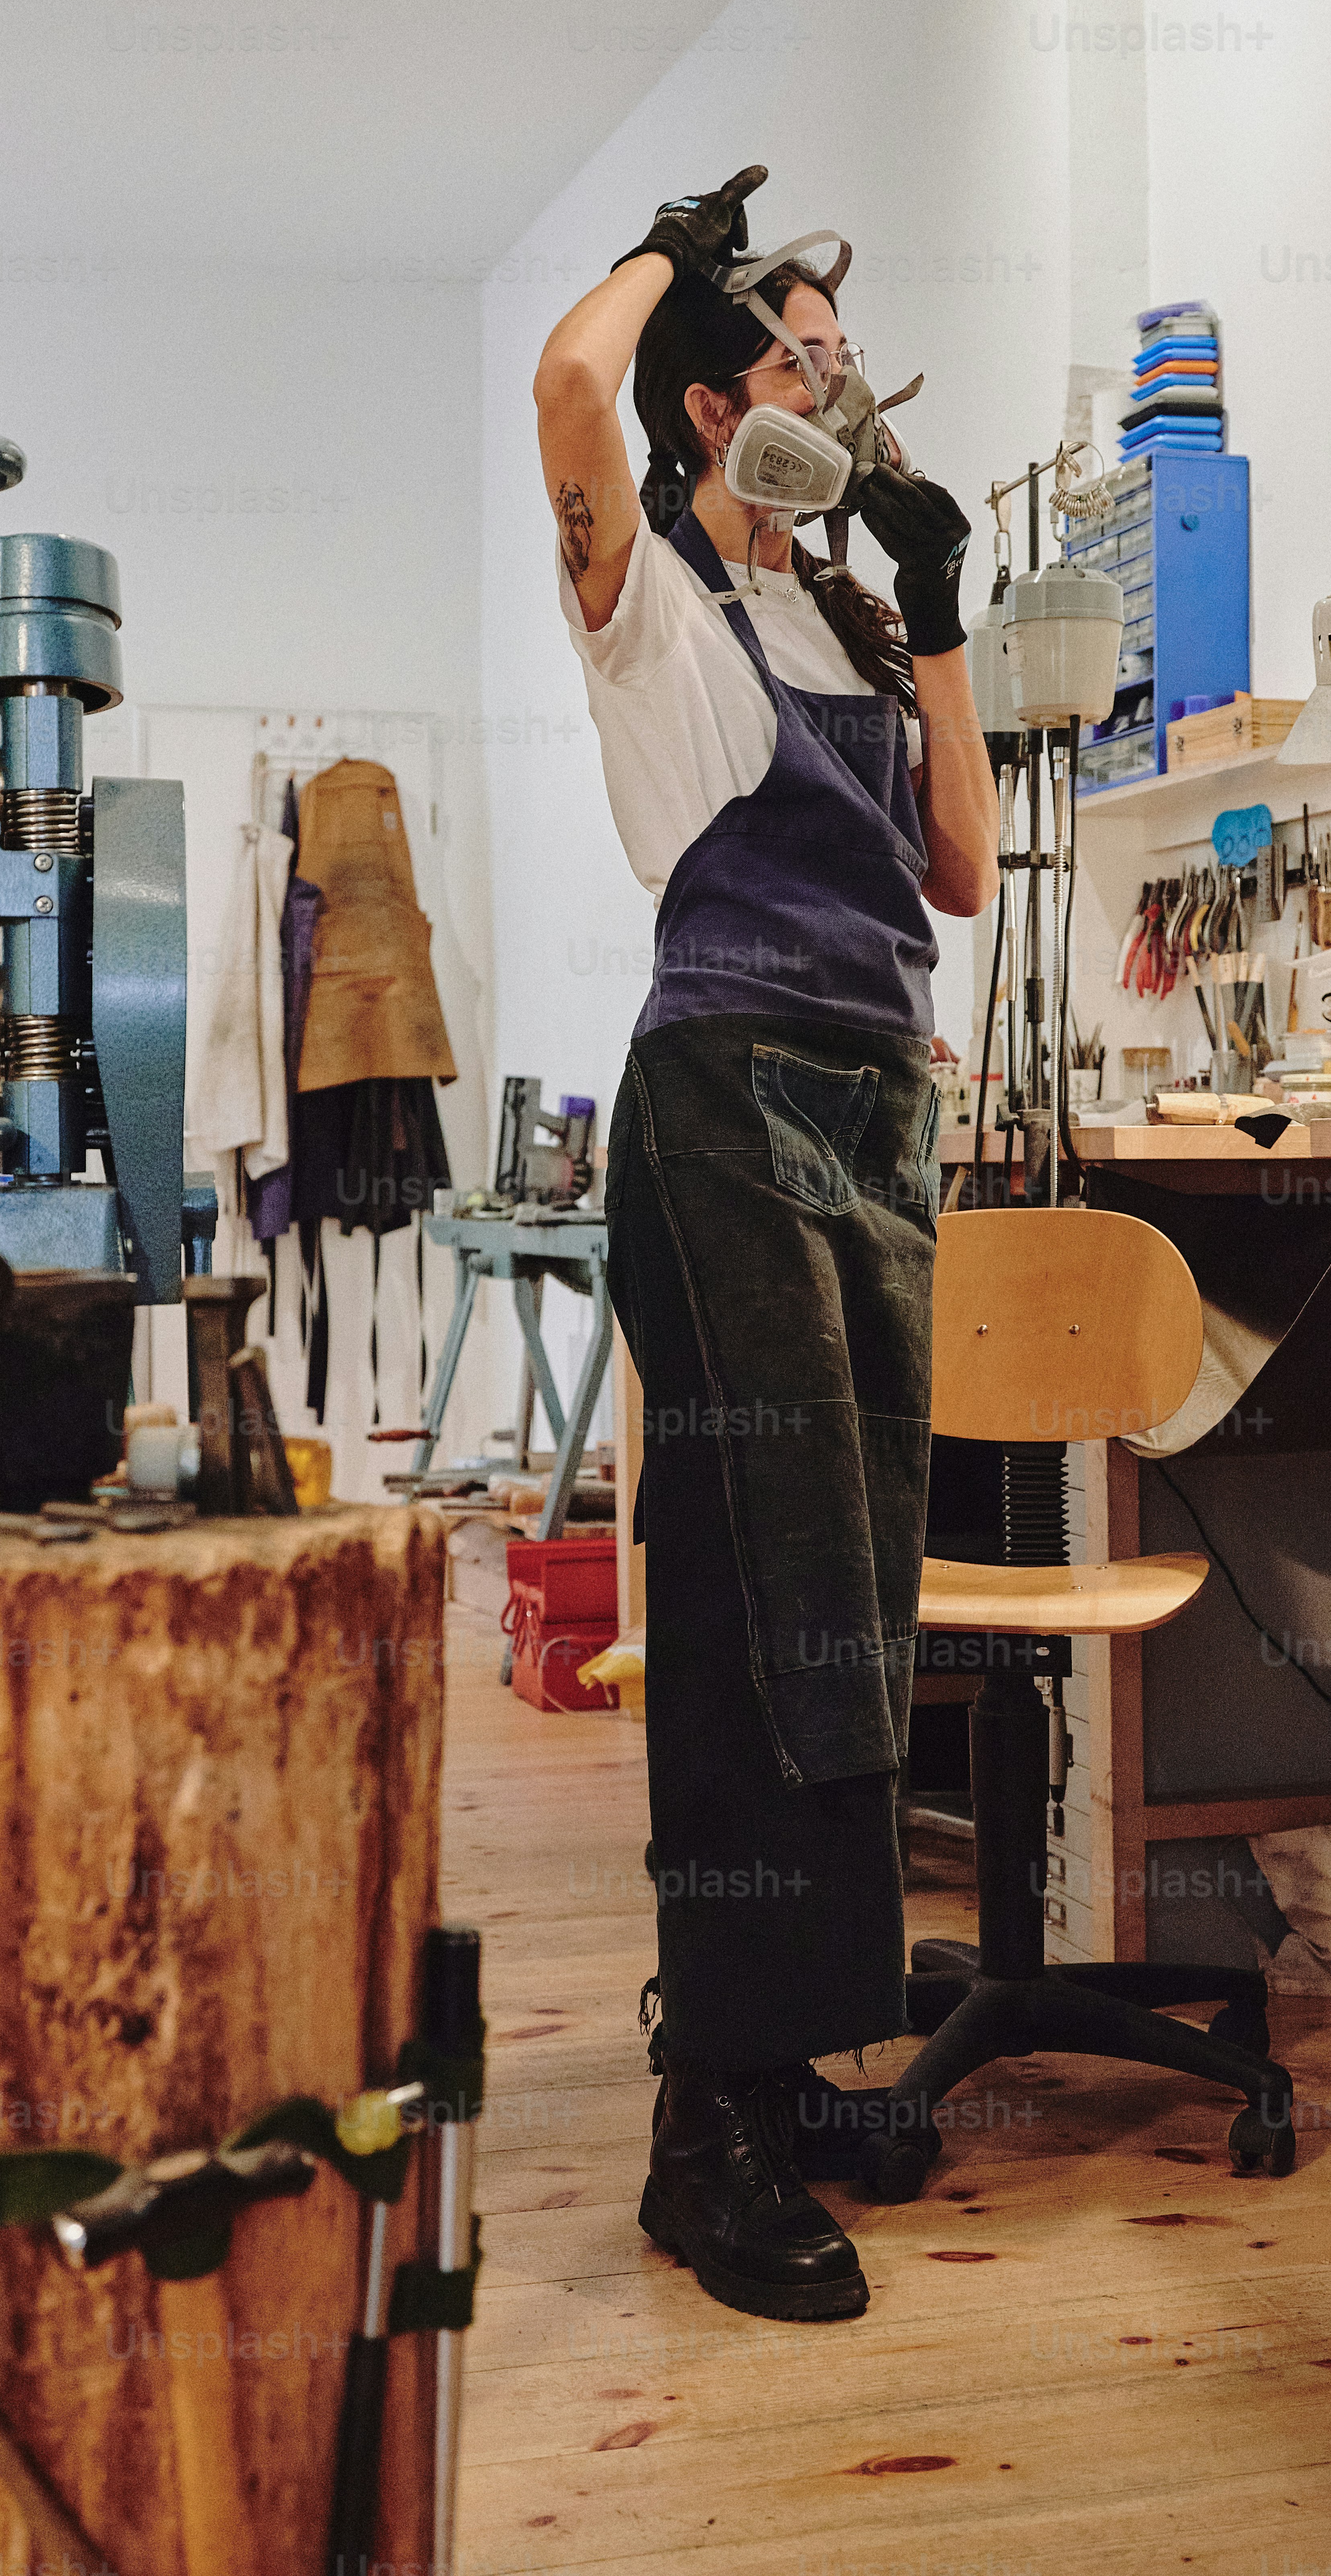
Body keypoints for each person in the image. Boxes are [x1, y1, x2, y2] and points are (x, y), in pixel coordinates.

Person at [532, 167, 998, 2322]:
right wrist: (662, 243)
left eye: (843, 356)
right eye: (801, 351)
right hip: (722, 1104)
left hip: (876, 1100)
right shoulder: (642, 587)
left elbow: (967, 874)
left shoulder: (848, 611)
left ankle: (795, 2052)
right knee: (746, 1583)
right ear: (720, 395)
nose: (840, 380)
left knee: (855, 1598)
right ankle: (701, 2121)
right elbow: (566, 378)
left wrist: (949, 615)